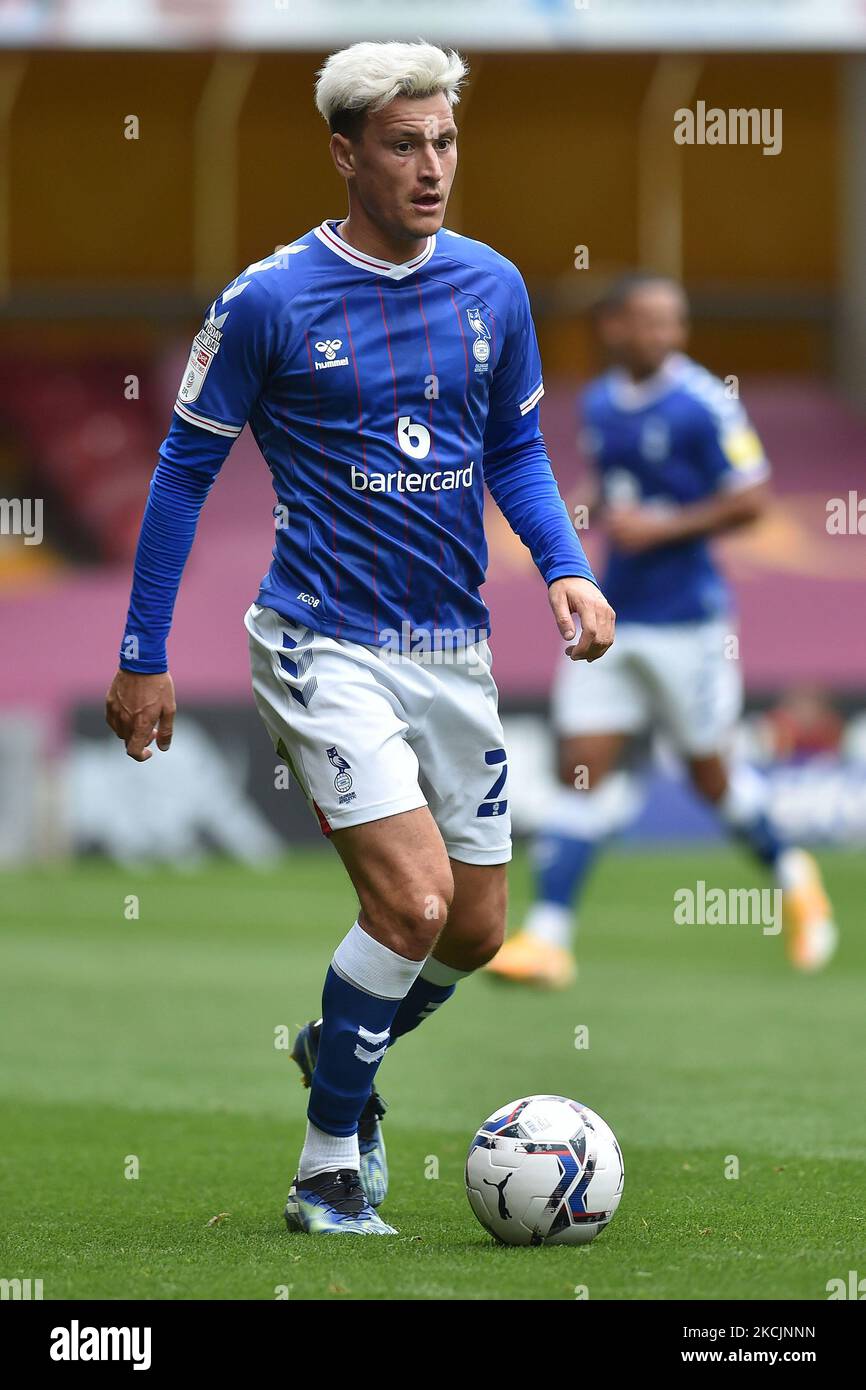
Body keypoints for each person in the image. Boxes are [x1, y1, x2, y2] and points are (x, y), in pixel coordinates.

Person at [104, 40, 615, 1236]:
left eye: (443, 141)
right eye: (402, 143)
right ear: (344, 153)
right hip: (321, 641)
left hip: (454, 648)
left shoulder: (492, 286)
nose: (432, 166)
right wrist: (142, 651)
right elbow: (182, 474)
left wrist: (566, 569)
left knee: (476, 930)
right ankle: (327, 1166)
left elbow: (515, 453)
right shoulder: (268, 300)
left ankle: (335, 1046)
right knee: (411, 907)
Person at [488, 273, 836, 988]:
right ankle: (549, 940)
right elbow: (615, 491)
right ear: (614, 326)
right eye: (651, 322)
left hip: (689, 623)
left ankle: (796, 878)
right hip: (615, 614)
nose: (666, 336)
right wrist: (566, 529)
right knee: (579, 768)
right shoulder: (599, 402)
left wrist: (666, 527)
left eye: (674, 323)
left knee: (712, 780)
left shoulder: (704, 403)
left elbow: (754, 500)